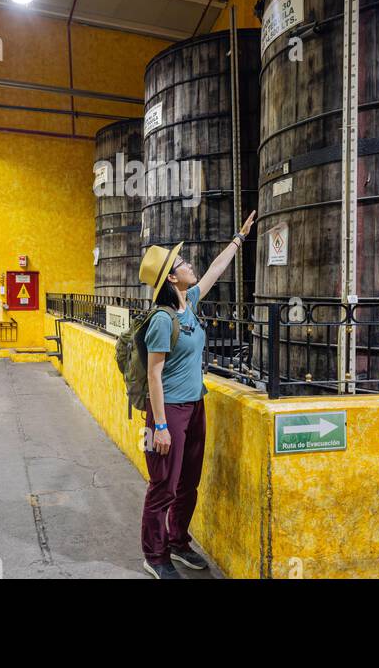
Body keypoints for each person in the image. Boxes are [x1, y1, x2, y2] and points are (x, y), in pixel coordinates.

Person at [138, 210, 257, 579]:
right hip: (168, 410)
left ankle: (178, 541)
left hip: (195, 405)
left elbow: (216, 270)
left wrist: (239, 237)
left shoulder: (191, 302)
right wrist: (159, 425)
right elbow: (154, 375)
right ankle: (155, 555)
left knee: (189, 482)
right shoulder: (162, 319)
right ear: (171, 278)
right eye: (183, 263)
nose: (191, 265)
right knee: (164, 485)